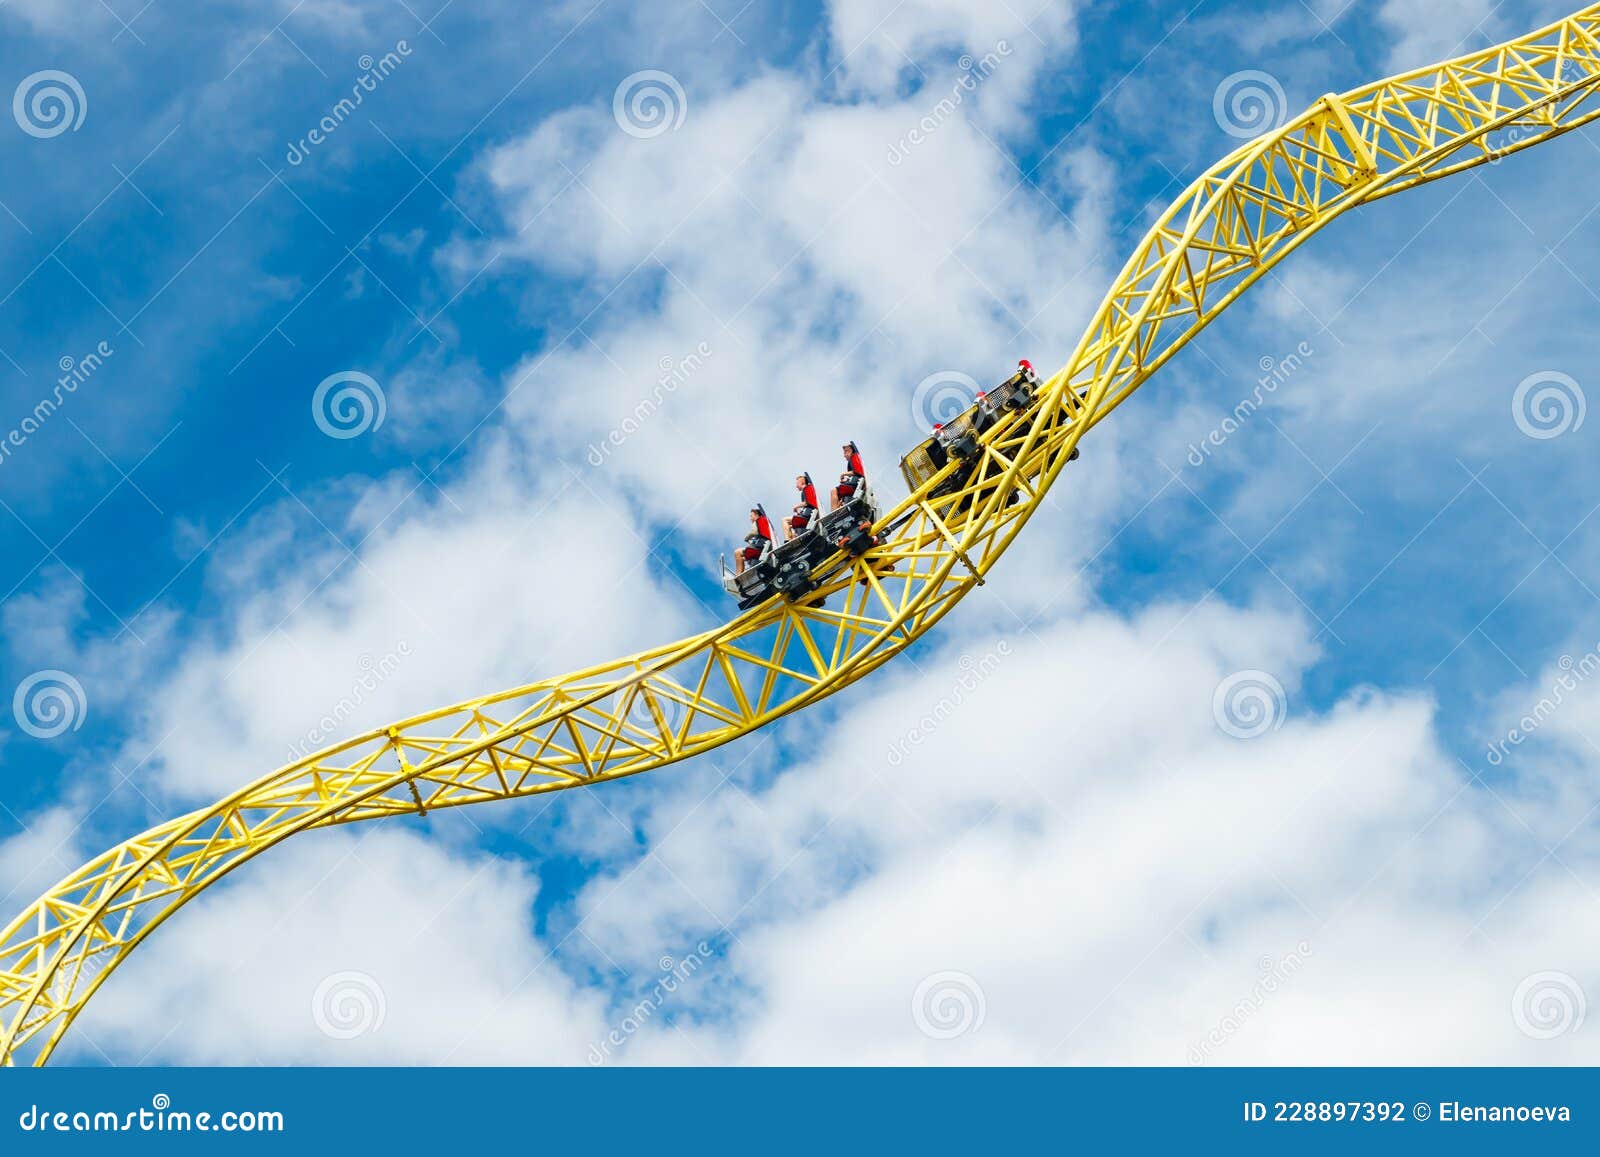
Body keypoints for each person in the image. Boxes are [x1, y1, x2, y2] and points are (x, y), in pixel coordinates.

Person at [736, 504, 773, 576]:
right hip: (765, 547)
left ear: (756, 515)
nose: (750, 518)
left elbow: (754, 532)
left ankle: (738, 576)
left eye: (751, 516)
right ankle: (742, 574)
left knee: (737, 552)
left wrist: (746, 538)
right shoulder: (764, 522)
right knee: (742, 559)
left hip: (761, 547)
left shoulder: (758, 520)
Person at [784, 472, 819, 541]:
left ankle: (787, 540)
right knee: (789, 526)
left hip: (807, 518)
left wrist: (796, 507)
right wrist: (799, 512)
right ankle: (793, 540)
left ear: (802, 482)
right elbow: (807, 505)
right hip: (806, 517)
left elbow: (807, 502)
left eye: (797, 483)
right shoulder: (804, 491)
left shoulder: (807, 488)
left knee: (785, 520)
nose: (796, 486)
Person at [831, 441, 866, 511]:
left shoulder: (854, 457)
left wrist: (843, 474)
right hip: (854, 486)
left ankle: (834, 511)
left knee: (834, 491)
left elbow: (858, 471)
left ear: (851, 451)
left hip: (854, 487)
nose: (844, 455)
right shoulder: (853, 461)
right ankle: (837, 510)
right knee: (840, 497)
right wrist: (845, 480)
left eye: (846, 452)